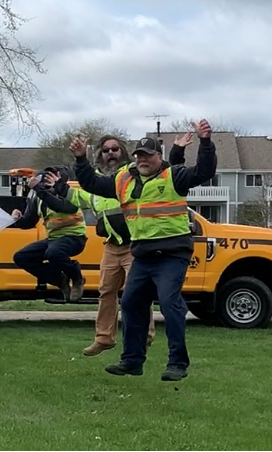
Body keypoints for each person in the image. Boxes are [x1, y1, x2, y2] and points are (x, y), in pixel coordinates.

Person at [70, 120, 216, 381]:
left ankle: (177, 364)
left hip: (172, 254)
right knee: (130, 302)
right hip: (143, 255)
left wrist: (205, 142)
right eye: (139, 156)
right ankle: (132, 361)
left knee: (170, 304)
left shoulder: (173, 177)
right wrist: (81, 159)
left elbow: (204, 171)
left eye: (148, 156)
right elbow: (92, 183)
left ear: (158, 157)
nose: (143, 160)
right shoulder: (123, 180)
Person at [82, 132, 194, 356]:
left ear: (122, 152)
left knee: (139, 296)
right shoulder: (102, 179)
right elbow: (81, 193)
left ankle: (146, 336)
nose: (110, 153)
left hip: (137, 244)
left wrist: (177, 152)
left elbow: (166, 176)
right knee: (106, 291)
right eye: (106, 150)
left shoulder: (131, 173)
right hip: (112, 244)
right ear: (100, 154)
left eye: (114, 149)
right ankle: (104, 338)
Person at [11, 165, 90, 302]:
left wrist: (39, 189)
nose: (47, 181)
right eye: (46, 178)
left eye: (52, 177)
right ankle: (59, 280)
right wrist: (17, 219)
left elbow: (60, 206)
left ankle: (77, 278)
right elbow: (29, 222)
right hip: (54, 239)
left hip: (75, 237)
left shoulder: (69, 193)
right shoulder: (39, 197)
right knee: (21, 257)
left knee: (53, 253)